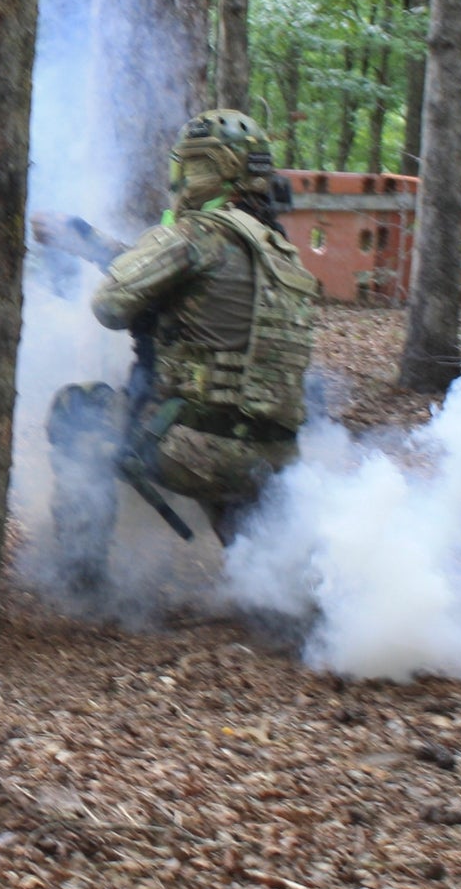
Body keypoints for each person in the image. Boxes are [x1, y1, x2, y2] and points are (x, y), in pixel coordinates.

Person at [32, 109, 319, 596]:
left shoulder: (197, 234)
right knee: (223, 427)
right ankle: (277, 592)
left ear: (209, 169)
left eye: (186, 167)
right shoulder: (280, 252)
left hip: (195, 449)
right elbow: (178, 280)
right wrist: (84, 238)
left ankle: (78, 585)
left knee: (76, 410)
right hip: (273, 459)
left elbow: (111, 306)